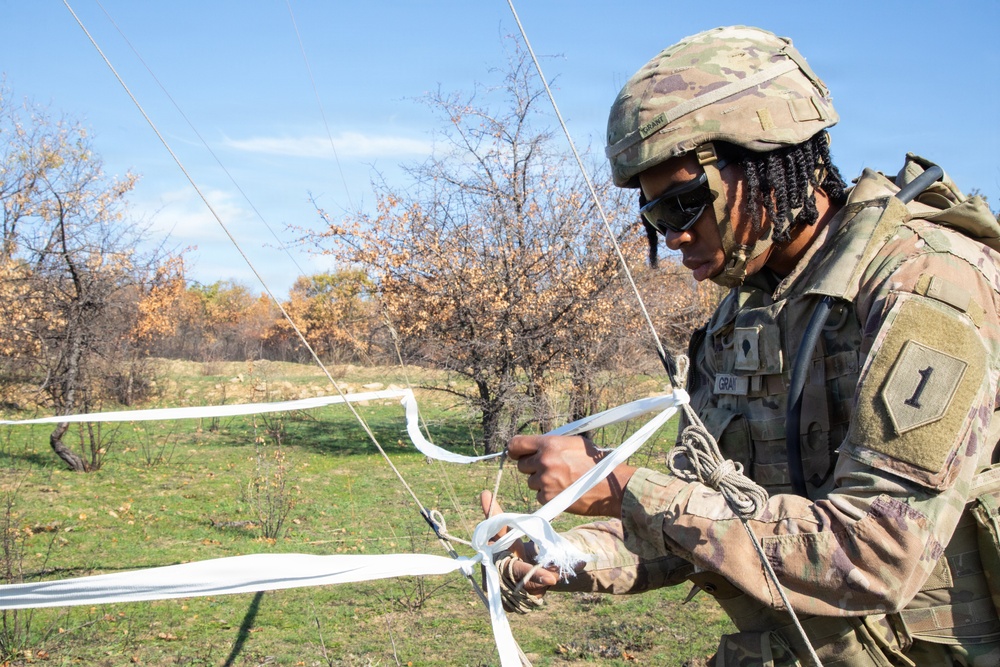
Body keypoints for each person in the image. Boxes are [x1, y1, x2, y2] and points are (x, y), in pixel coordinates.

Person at [482, 26, 1000, 666]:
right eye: (653, 218)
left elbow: (880, 553)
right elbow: (703, 518)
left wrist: (629, 488)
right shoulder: (742, 312)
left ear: (766, 160)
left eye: (682, 204)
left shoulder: (926, 284)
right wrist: (558, 554)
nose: (670, 238)